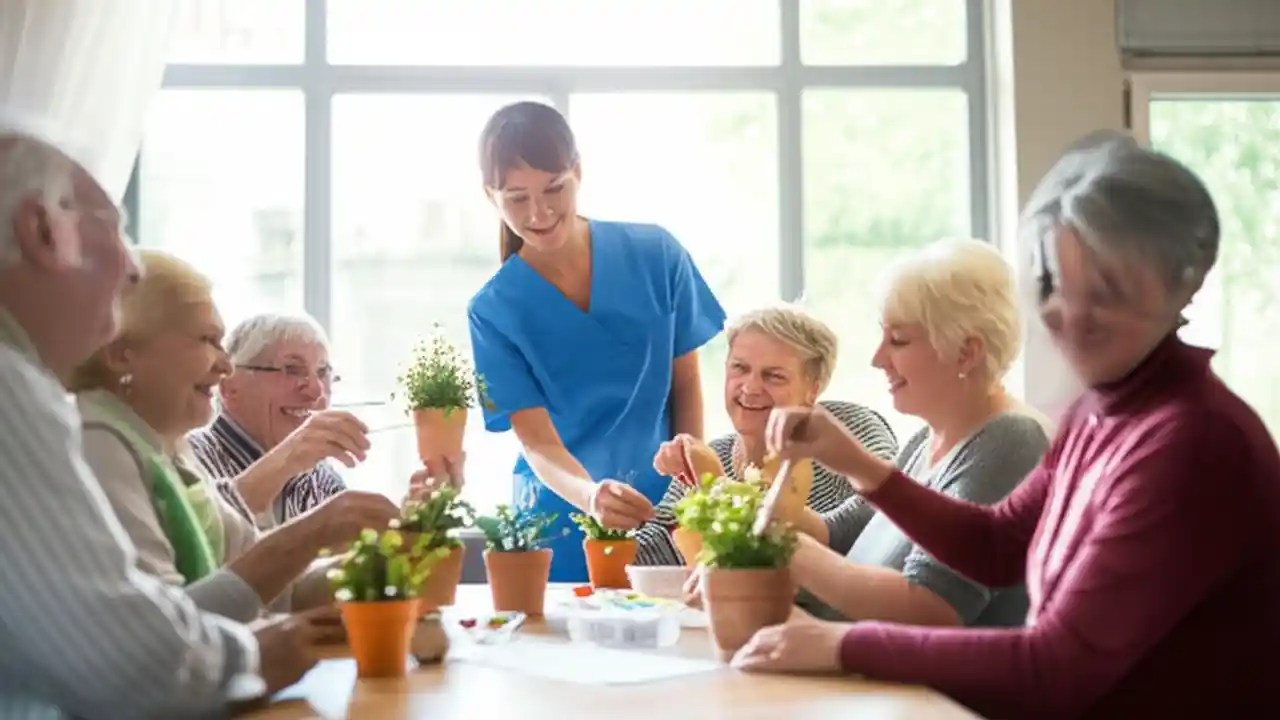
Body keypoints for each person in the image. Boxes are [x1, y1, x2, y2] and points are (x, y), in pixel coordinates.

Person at [734, 133, 1280, 718]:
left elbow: (1058, 665)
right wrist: (858, 464)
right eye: (1053, 286)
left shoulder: (1193, 440)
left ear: (1183, 282)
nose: (1072, 314)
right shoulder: (1100, 413)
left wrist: (844, 644)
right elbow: (996, 546)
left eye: (1108, 289)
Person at [0, 132, 315, 715]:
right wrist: (250, 655)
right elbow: (123, 657)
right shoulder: (15, 394)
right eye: (113, 227)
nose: (130, 265)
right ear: (40, 231)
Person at [685, 241, 1051, 628]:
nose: (877, 358)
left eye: (898, 340)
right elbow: (836, 534)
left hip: (925, 691)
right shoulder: (926, 442)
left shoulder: (1011, 442)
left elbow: (932, 609)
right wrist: (735, 495)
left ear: (966, 352)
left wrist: (779, 547)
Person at [70, 249, 414, 621]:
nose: (225, 366)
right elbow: (167, 630)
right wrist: (315, 532)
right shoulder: (96, 442)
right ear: (122, 353)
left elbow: (277, 591)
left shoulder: (170, 449)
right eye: (207, 340)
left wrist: (389, 557)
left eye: (323, 373)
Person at [468, 100, 727, 582]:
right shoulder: (493, 310)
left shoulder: (657, 255)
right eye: (517, 198)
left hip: (665, 512)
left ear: (578, 173)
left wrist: (690, 490)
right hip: (559, 522)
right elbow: (537, 444)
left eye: (554, 189)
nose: (540, 212)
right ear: (491, 196)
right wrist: (591, 498)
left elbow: (686, 385)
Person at [636, 305, 899, 566]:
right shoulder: (712, 455)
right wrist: (614, 516)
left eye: (773, 376)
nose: (750, 388)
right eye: (739, 368)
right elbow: (657, 550)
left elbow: (873, 522)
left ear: (812, 390)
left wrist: (717, 488)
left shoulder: (850, 428)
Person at [188, 311, 368, 529]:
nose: (316, 390)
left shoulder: (322, 479)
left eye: (322, 372)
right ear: (230, 388)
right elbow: (195, 538)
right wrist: (286, 460)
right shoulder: (188, 458)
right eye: (291, 369)